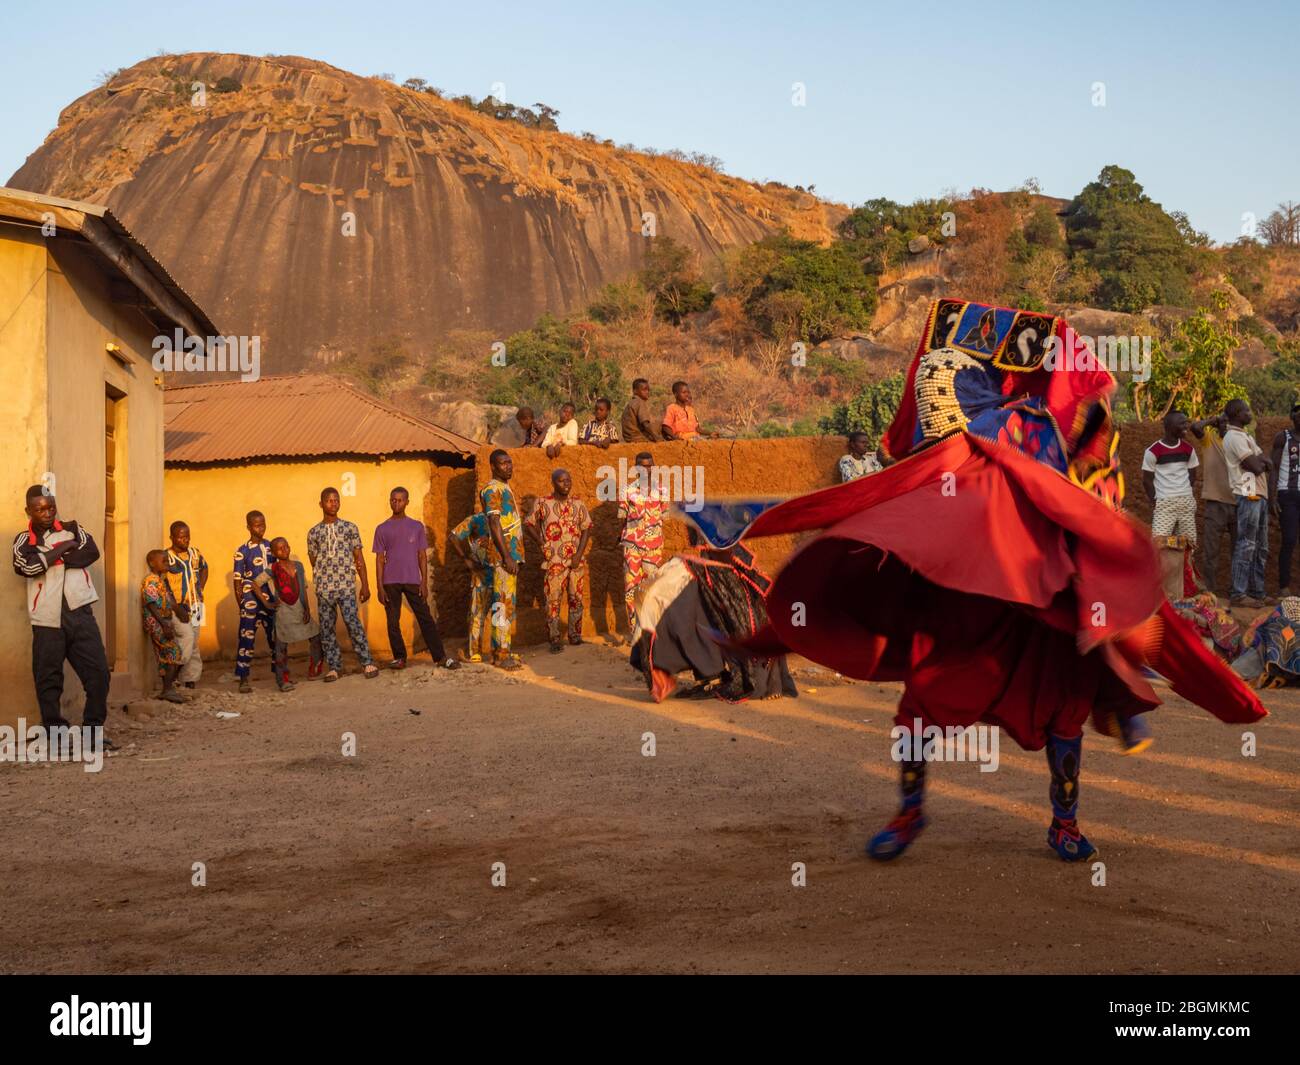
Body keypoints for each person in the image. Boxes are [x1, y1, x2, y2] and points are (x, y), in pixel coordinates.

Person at [731, 298, 1265, 864]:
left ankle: (1066, 818)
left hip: (1035, 603)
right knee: (919, 706)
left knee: (1068, 694)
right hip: (959, 610)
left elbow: (1081, 494)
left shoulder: (1026, 425)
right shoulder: (931, 457)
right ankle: (909, 812)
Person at [630, 533, 797, 703]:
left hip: (724, 584)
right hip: (716, 581)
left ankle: (713, 674)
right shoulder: (702, 569)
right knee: (697, 615)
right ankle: (709, 674)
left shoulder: (718, 570)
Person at [11, 486, 114, 748]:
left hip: (80, 613)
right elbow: (27, 566)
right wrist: (65, 548)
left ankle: (92, 733)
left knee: (99, 674)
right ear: (29, 511)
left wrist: (50, 558)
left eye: (51, 507)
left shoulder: (73, 529)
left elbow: (90, 552)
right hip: (46, 619)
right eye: (40, 509)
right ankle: (56, 735)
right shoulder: (23, 540)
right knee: (48, 679)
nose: (47, 513)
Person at [373, 487, 458, 670]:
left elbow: (421, 556)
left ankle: (440, 657)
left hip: (412, 580)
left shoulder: (416, 526)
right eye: (393, 500)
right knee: (393, 621)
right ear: (389, 501)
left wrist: (423, 582)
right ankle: (400, 658)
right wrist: (379, 586)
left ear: (407, 502)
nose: (396, 503)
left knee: (425, 618)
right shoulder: (382, 529)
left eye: (400, 500)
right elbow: (379, 559)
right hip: (390, 582)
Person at [306, 488, 379, 682]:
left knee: (353, 623)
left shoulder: (350, 528)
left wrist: (365, 584)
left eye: (336, 500)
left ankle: (367, 662)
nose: (333, 504)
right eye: (329, 501)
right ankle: (335, 667)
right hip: (324, 589)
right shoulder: (313, 533)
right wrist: (326, 572)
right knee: (327, 628)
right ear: (321, 504)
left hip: (346, 585)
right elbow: (313, 560)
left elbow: (359, 558)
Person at [524, 469, 593, 653]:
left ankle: (575, 635)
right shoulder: (543, 502)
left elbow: (586, 528)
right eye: (562, 481)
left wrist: (579, 554)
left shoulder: (578, 503)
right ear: (553, 482)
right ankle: (554, 638)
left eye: (568, 480)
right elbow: (528, 523)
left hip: (575, 561)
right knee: (552, 600)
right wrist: (542, 543)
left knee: (576, 599)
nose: (566, 484)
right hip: (553, 560)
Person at [1141, 410, 1199, 598]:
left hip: (1185, 502)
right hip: (1164, 503)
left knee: (1189, 546)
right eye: (1182, 423)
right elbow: (1147, 480)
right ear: (1169, 426)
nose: (1185, 427)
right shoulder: (1153, 451)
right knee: (1158, 545)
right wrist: (1156, 501)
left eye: (1186, 423)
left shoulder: (1188, 449)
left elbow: (1192, 475)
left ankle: (1187, 589)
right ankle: (1158, 590)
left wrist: (1183, 492)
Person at [252, 537, 323, 691]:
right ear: (274, 552)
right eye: (279, 548)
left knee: (316, 637)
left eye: (286, 546)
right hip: (283, 611)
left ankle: (314, 671)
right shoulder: (273, 568)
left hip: (300, 609)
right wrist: (267, 603)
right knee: (281, 646)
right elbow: (255, 584)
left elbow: (303, 589)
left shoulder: (299, 566)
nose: (284, 550)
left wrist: (307, 609)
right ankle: (283, 680)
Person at [1223, 398, 1272, 609]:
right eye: (1246, 410)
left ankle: (1257, 592)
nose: (1249, 413)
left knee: (1261, 546)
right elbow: (1258, 466)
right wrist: (1261, 462)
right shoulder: (1234, 437)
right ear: (1236, 413)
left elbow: (1267, 461)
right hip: (1248, 491)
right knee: (1246, 545)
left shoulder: (1246, 436)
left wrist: (1262, 462)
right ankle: (1239, 593)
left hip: (1259, 494)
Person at [481, 450, 524, 670]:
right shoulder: (492, 489)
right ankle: (500, 653)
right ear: (493, 466)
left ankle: (501, 652)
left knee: (506, 605)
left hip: (509, 557)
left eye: (509, 462)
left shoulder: (504, 488)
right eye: (503, 463)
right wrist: (507, 556)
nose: (508, 466)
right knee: (502, 605)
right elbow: (494, 523)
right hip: (502, 558)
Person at [618, 451, 668, 636]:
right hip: (632, 547)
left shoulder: (662, 491)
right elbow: (622, 518)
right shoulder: (627, 491)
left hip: (654, 548)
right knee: (631, 589)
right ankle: (635, 633)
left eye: (649, 465)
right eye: (642, 466)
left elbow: (663, 517)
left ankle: (653, 632)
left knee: (652, 589)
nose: (646, 469)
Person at [1189, 412, 1236, 598]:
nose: (1225, 425)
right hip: (1215, 503)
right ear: (1217, 425)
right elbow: (1195, 427)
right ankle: (1209, 591)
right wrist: (1211, 420)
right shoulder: (1209, 439)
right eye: (1222, 422)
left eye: (1228, 422)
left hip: (1238, 502)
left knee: (1238, 552)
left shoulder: (1240, 441)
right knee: (1211, 551)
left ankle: (1237, 592)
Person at [232, 510, 277, 694]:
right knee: (246, 639)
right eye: (257, 525)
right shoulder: (242, 551)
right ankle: (243, 678)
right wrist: (240, 603)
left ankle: (280, 673)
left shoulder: (270, 546)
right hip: (250, 600)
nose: (261, 528)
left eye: (263, 524)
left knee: (275, 636)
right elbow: (237, 580)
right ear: (249, 527)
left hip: (269, 597)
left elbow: (278, 570)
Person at [166, 521, 207, 689]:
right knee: (184, 640)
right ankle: (174, 676)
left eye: (187, 537)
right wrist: (174, 606)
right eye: (181, 537)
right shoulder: (166, 557)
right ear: (172, 537)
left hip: (197, 606)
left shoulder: (195, 554)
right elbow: (163, 585)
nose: (185, 540)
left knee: (195, 643)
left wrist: (201, 588)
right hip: (178, 608)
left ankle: (191, 679)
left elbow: (205, 568)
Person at [141, 549, 185, 703]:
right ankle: (167, 690)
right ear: (152, 563)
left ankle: (168, 688)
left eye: (167, 561)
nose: (167, 564)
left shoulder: (159, 580)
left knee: (167, 656)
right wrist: (164, 625)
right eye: (163, 561)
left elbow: (167, 600)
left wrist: (176, 614)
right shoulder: (151, 580)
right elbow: (151, 604)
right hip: (157, 622)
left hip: (163, 621)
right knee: (174, 652)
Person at [449, 511, 493, 663]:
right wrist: (465, 558)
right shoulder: (475, 520)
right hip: (480, 575)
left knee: (501, 612)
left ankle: (500, 651)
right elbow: (453, 536)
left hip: (500, 573)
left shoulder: (504, 519)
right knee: (477, 614)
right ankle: (475, 652)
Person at [1269, 402, 1300, 595]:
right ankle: (1284, 586)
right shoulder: (1283, 437)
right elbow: (1273, 467)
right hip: (1287, 495)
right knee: (1288, 540)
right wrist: (1272, 497)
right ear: (1292, 417)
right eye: (1297, 414)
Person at [621, 379, 661, 443]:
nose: (647, 392)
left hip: (628, 437)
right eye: (644, 390)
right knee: (659, 425)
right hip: (637, 437)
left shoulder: (631, 402)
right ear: (635, 391)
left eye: (648, 390)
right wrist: (656, 437)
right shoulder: (639, 402)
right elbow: (645, 424)